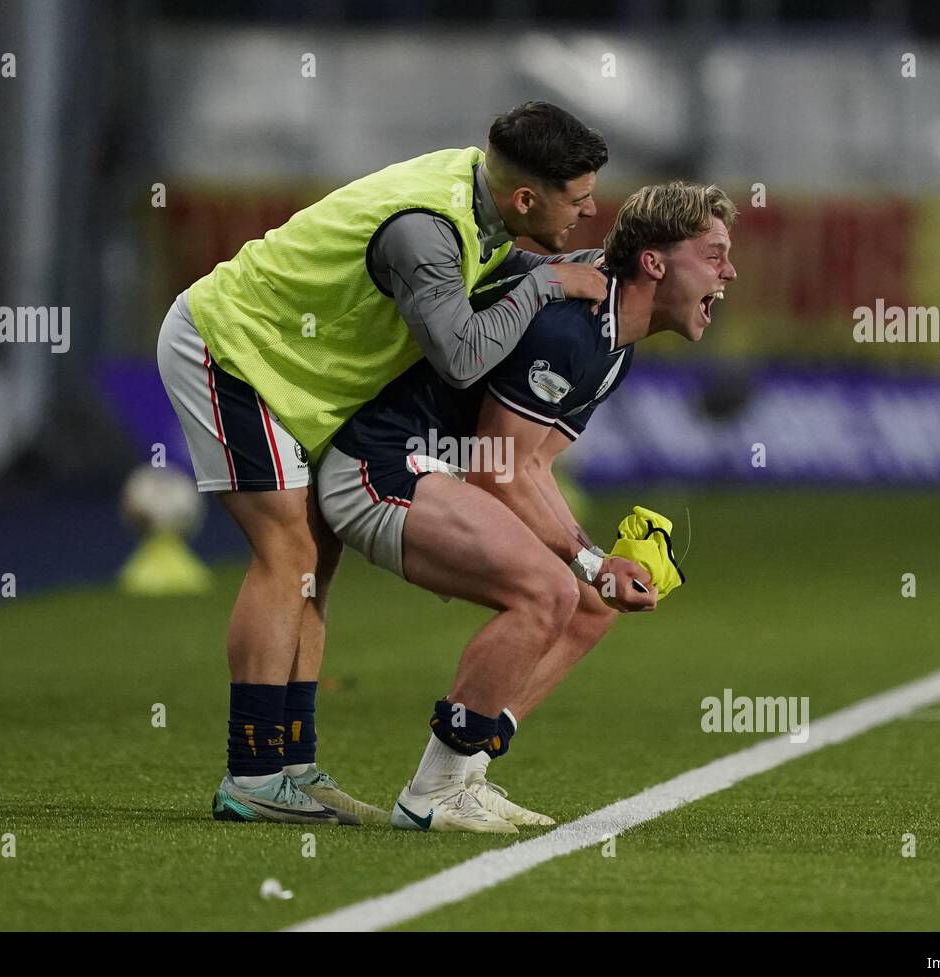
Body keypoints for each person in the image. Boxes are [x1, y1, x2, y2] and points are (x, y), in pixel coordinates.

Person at [156, 102, 610, 824]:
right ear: (526, 197)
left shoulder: (482, 201)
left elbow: (502, 268)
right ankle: (251, 773)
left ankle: (292, 767)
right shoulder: (427, 229)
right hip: (230, 349)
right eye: (579, 201)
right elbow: (461, 357)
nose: (589, 213)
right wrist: (545, 285)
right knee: (288, 550)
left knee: (315, 559)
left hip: (296, 373)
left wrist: (560, 269)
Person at [315, 181, 738, 831]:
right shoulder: (575, 328)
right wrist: (587, 558)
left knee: (589, 605)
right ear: (655, 261)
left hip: (440, 468)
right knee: (549, 592)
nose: (729, 271)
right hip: (383, 466)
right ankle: (431, 791)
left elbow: (532, 462)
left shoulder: (615, 337)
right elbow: (496, 465)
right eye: (714, 255)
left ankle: (467, 773)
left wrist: (597, 566)